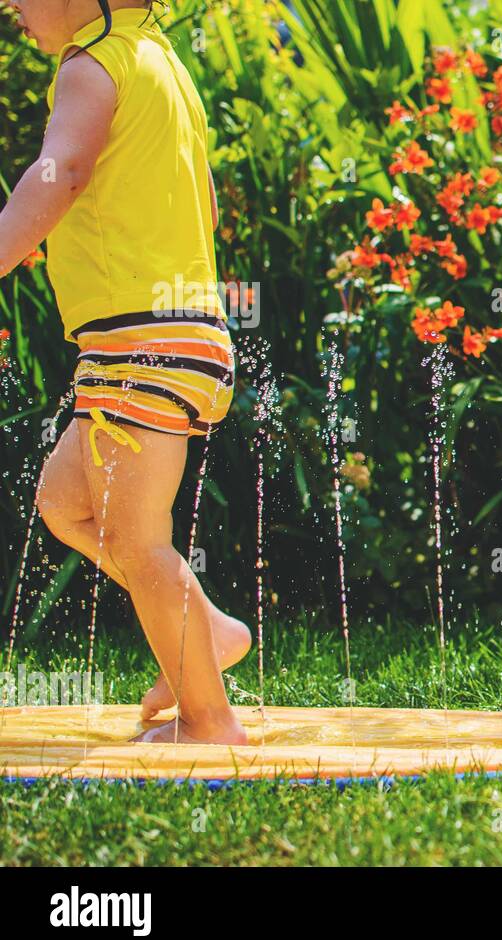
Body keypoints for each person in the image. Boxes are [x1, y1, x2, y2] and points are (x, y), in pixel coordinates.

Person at [0, 0, 250, 744]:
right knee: (65, 503)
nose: (9, 2)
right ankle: (207, 630)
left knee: (140, 542)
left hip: (139, 343)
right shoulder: (159, 62)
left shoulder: (91, 63)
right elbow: (200, 201)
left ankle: (210, 722)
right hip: (173, 335)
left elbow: (63, 169)